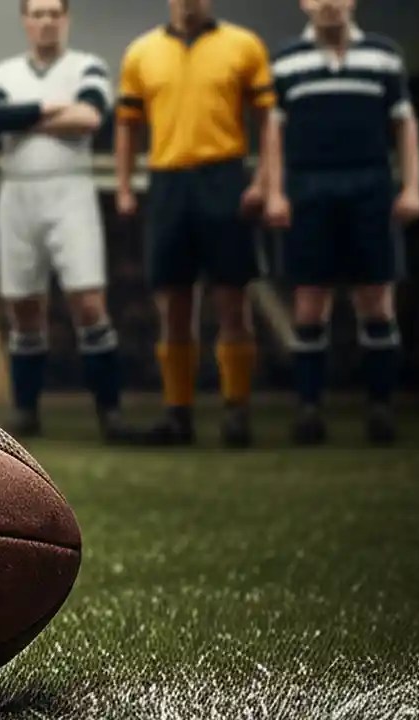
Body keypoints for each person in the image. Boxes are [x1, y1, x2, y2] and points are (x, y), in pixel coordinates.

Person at [115, 0, 276, 447]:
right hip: (167, 182)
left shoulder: (243, 45)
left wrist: (265, 180)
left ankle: (237, 412)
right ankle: (178, 415)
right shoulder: (141, 52)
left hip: (224, 177)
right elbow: (127, 124)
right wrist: (126, 185)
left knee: (232, 301)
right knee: (174, 306)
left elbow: (268, 121)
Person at [263, 0, 419, 445]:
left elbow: (405, 126)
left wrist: (412, 186)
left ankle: (381, 409)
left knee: (376, 301)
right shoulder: (287, 59)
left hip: (370, 185)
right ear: (305, 4)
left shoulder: (383, 53)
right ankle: (309, 410)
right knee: (310, 304)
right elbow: (274, 130)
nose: (329, 3)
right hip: (309, 188)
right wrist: (275, 191)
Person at [0, 0, 136, 443]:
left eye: (54, 13)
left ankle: (111, 412)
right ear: (25, 21)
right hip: (18, 192)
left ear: (66, 19)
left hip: (71, 189)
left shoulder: (89, 66)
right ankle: (26, 413)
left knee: (89, 303)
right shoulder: (2, 73)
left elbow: (89, 117)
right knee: (24, 309)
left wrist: (25, 116)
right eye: (38, 13)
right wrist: (53, 108)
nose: (47, 21)